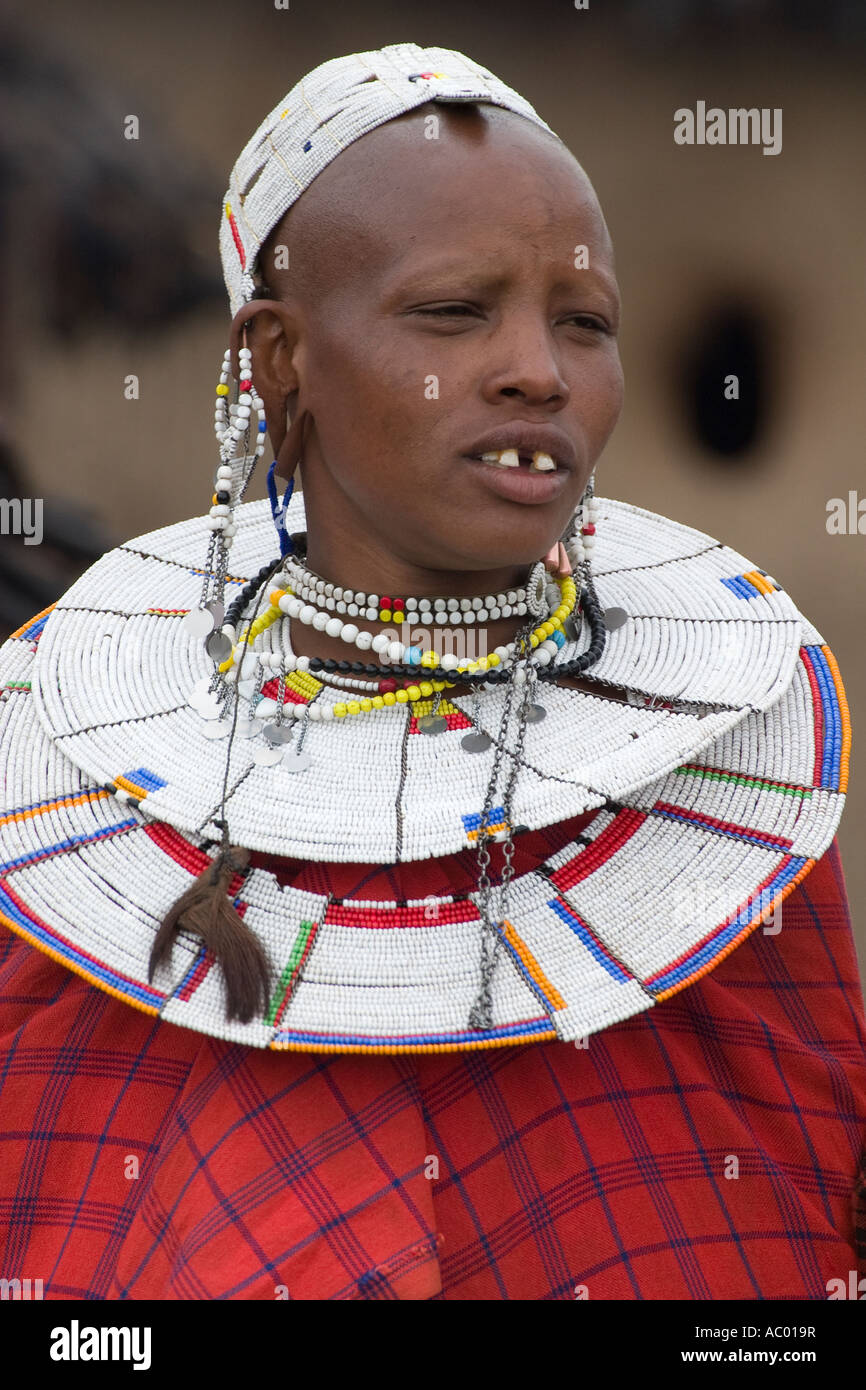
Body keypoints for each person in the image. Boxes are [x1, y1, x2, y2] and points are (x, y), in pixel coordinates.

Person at [0, 42, 863, 1302]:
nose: (539, 369)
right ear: (276, 362)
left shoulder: (732, 779)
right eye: (454, 310)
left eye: (585, 322)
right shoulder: (66, 819)